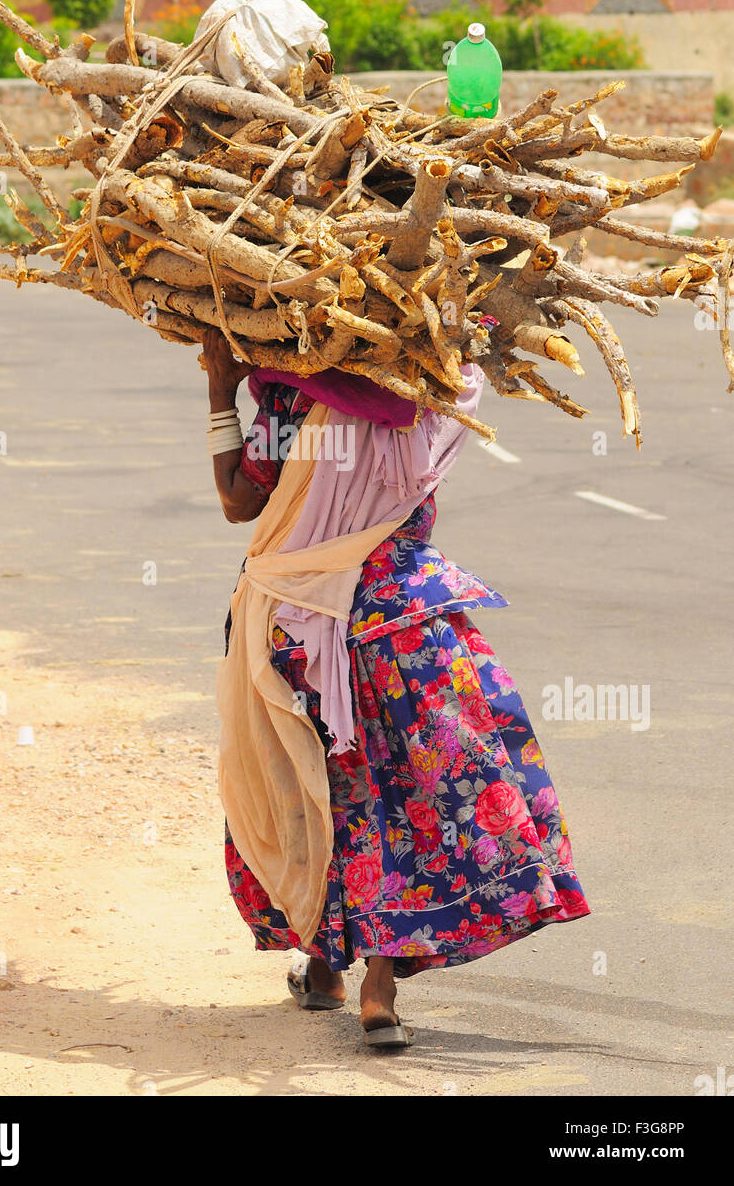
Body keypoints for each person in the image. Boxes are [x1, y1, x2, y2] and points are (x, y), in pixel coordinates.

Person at [202, 329, 589, 1050]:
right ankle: (379, 989)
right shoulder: (434, 387)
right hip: (403, 619)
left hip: (300, 620)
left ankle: (323, 965)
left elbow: (236, 501)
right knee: (409, 794)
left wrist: (223, 385)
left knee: (317, 785)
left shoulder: (287, 393)